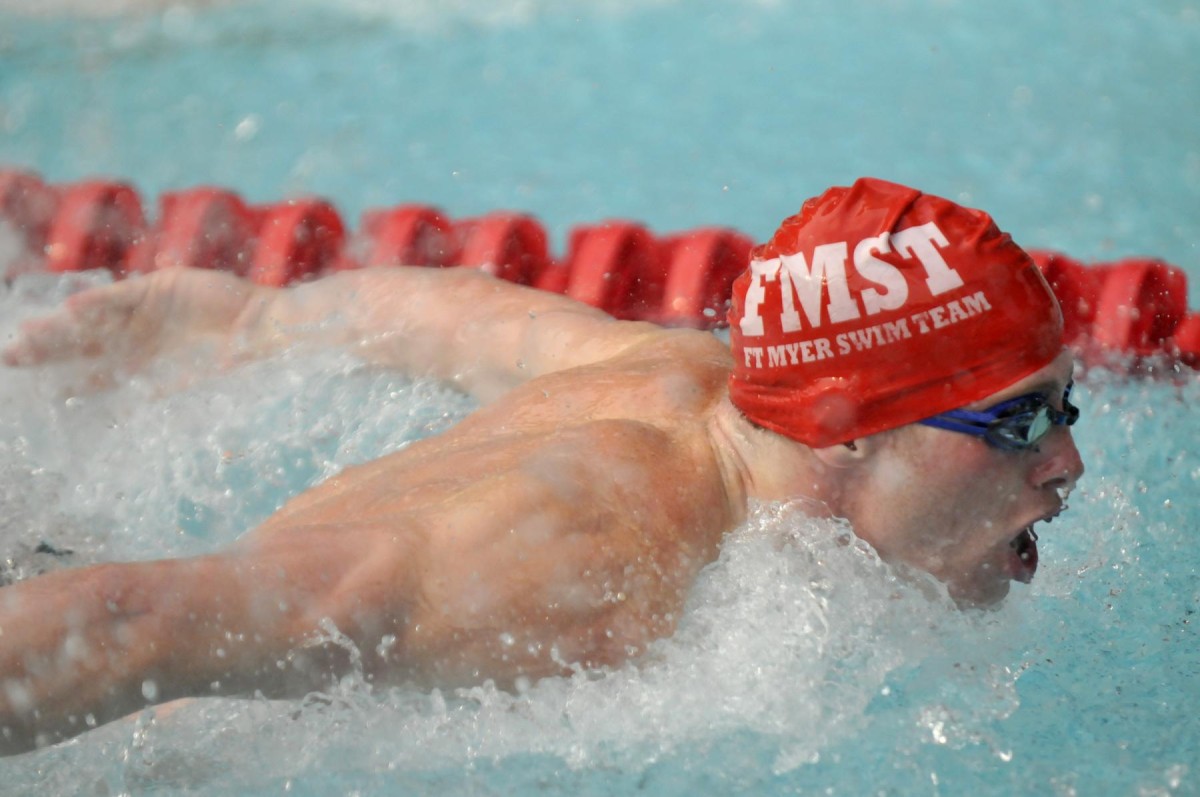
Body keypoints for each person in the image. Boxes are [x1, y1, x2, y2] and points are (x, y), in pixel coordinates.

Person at [0, 177, 1083, 755]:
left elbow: (470, 320)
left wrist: (248, 323)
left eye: (1065, 407)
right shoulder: (595, 559)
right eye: (1021, 421)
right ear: (850, 429)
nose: (1068, 463)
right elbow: (133, 624)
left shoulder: (696, 379)